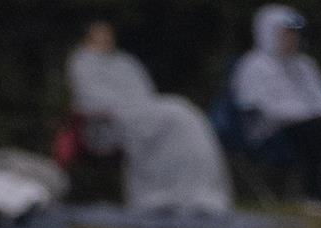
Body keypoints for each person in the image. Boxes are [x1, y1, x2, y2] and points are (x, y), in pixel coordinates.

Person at [68, 21, 232, 214]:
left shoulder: (125, 62)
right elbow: (89, 100)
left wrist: (140, 108)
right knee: (175, 113)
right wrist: (125, 110)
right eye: (100, 34)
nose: (106, 39)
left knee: (181, 114)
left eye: (108, 34)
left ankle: (192, 192)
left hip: (141, 112)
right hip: (109, 122)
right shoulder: (83, 62)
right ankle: (165, 193)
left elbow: (145, 92)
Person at [231, 4, 321, 206]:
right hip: (271, 132)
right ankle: (314, 192)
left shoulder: (304, 64)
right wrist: (306, 115)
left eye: (294, 34)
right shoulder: (253, 65)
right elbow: (256, 106)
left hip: (308, 124)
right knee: (312, 130)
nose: (292, 39)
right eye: (286, 33)